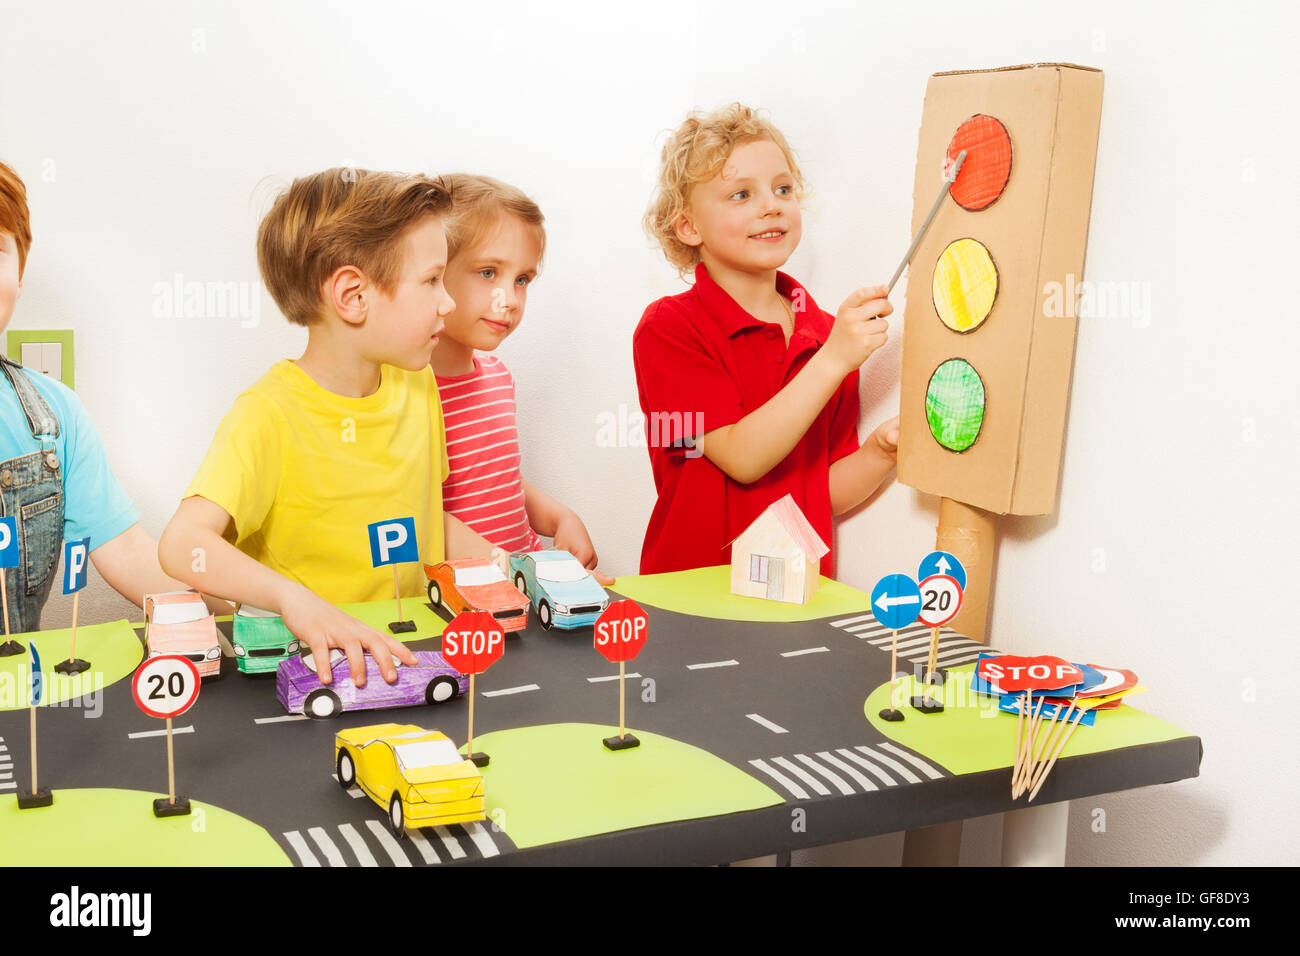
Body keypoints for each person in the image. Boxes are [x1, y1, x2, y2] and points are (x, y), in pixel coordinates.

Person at [159, 168, 500, 686]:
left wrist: (515, 566)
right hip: (314, 675)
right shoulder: (267, 415)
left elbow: (425, 519)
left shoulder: (417, 385)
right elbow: (181, 544)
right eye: (432, 280)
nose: (447, 302)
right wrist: (294, 601)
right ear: (353, 296)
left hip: (415, 655)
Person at [634, 103, 901, 577]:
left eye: (783, 189)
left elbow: (821, 492)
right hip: (692, 596)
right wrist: (835, 359)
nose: (771, 204)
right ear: (689, 226)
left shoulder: (822, 331)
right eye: (741, 194)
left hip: (796, 597)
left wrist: (882, 451)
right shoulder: (669, 329)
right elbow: (742, 457)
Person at [0, 158, 218, 635]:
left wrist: (254, 610)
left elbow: (125, 551)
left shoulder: (53, 418)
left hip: (16, 704)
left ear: (19, 274)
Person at [430, 174, 610, 582]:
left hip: (523, 581)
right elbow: (414, 513)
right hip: (462, 595)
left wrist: (557, 516)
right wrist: (519, 576)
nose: (508, 299)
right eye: (489, 273)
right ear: (434, 271)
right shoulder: (401, 395)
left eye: (522, 280)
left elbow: (494, 478)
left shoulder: (497, 377)